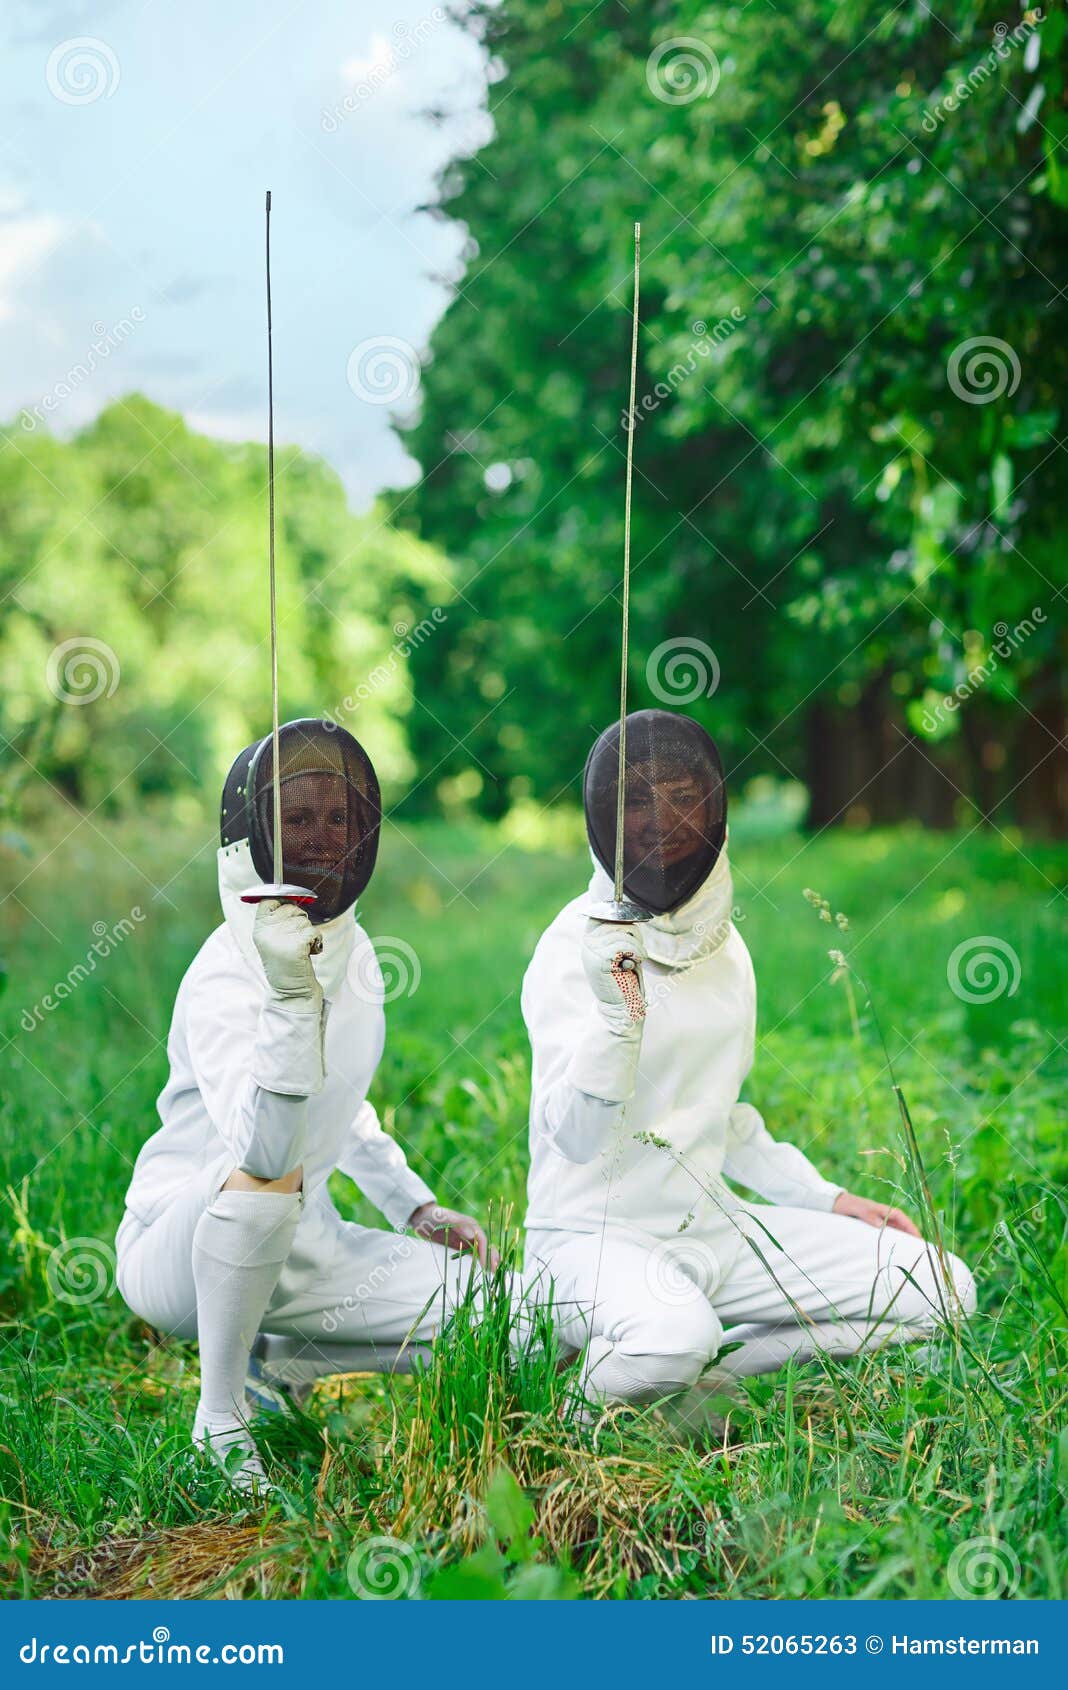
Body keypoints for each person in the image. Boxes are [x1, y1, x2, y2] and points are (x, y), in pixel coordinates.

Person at [522, 709, 977, 1409]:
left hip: (712, 1232)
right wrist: (619, 1020)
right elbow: (574, 1138)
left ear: (715, 809)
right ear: (604, 819)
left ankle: (711, 1375)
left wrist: (825, 1199)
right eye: (637, 799)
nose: (661, 817)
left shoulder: (725, 952)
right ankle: (573, 1416)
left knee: (943, 1289)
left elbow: (722, 1117)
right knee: (673, 1336)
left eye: (681, 795)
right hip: (591, 1243)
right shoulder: (573, 949)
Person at [116, 719, 493, 1490]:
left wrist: (414, 1206)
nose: (322, 838)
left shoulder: (359, 960)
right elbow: (260, 1155)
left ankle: (281, 1356)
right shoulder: (224, 974)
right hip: (183, 1257)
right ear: (252, 833)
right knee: (269, 1178)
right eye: (296, 818)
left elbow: (343, 1104)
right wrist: (290, 997)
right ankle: (219, 1414)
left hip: (302, 1246)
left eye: (339, 818)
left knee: (504, 1320)